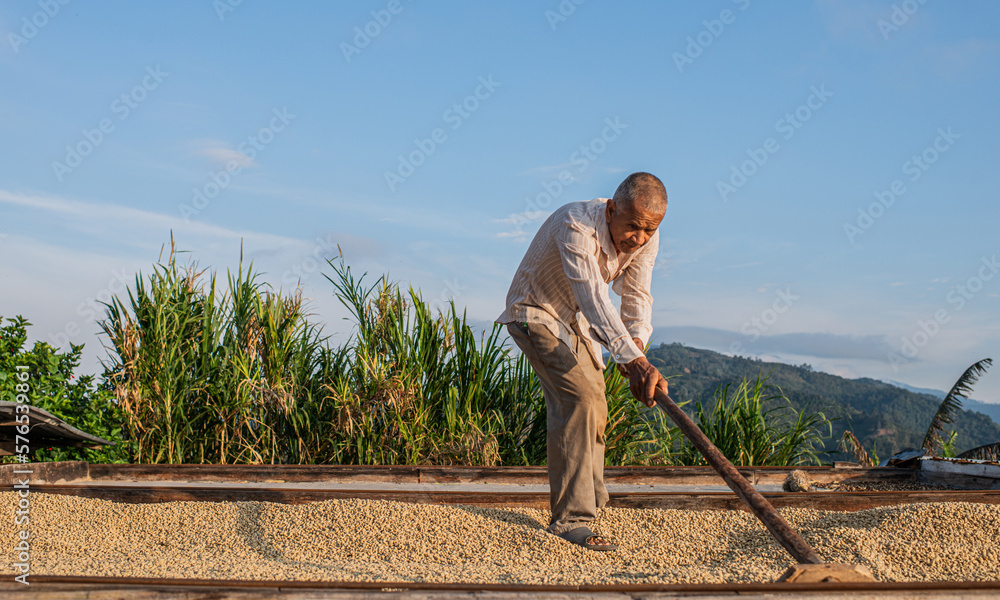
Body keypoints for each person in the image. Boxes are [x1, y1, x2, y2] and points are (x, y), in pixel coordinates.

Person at [496, 171, 667, 551]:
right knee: (579, 400)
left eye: (649, 231)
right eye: (633, 227)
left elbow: (637, 295)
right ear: (610, 211)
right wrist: (632, 360)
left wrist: (636, 346)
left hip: (575, 323)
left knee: (598, 403)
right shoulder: (576, 225)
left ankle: (591, 498)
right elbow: (592, 296)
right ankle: (571, 520)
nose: (638, 238)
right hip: (534, 312)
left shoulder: (646, 240)